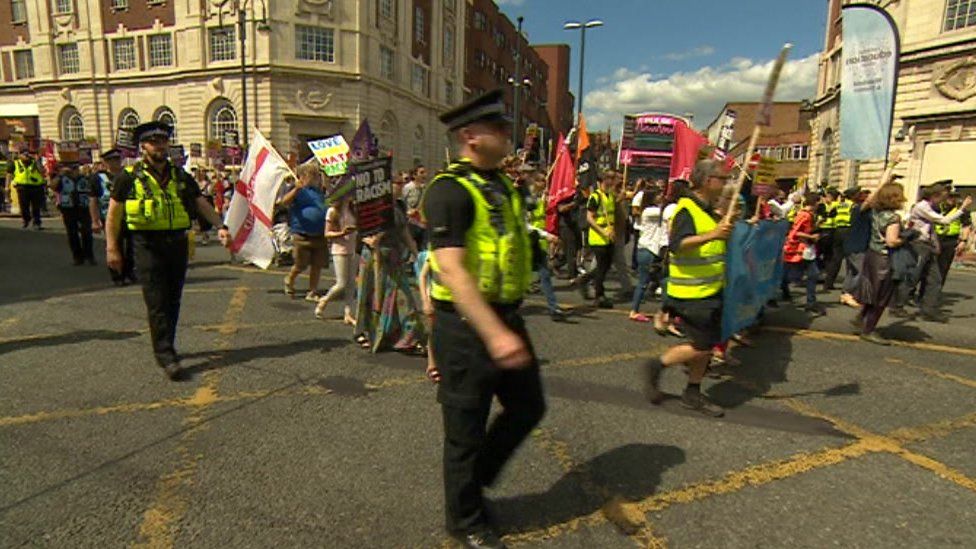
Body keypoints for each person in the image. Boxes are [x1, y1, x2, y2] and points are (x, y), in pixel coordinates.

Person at [421, 89, 545, 549]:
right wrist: (494, 334)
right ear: (471, 136)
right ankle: (466, 520)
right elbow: (450, 268)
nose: (507, 134)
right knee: (465, 431)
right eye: (498, 128)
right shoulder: (449, 190)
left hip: (506, 316)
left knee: (530, 406)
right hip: (467, 328)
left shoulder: (504, 185)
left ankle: (475, 481)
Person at [105, 121, 230, 380]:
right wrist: (112, 248)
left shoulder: (179, 176)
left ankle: (167, 345)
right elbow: (113, 216)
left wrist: (221, 225)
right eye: (154, 142)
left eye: (163, 141)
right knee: (156, 300)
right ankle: (165, 354)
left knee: (172, 299)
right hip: (146, 244)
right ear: (143, 147)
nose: (160, 146)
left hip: (177, 243)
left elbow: (200, 203)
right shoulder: (127, 178)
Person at [644, 159, 733, 418]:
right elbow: (678, 245)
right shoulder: (686, 210)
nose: (725, 184)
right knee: (703, 346)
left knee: (706, 343)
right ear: (707, 181)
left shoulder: (707, 210)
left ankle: (693, 392)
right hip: (692, 293)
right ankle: (657, 365)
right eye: (722, 179)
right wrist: (714, 235)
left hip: (710, 289)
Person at [891, 182, 972, 322]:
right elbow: (943, 220)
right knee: (913, 276)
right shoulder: (921, 207)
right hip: (918, 245)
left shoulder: (930, 207)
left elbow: (931, 228)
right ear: (934, 195)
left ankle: (929, 310)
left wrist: (935, 244)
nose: (942, 200)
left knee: (935, 279)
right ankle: (897, 305)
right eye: (941, 197)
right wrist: (963, 208)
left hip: (928, 245)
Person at [851, 181, 909, 345]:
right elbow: (891, 241)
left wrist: (889, 168)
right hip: (884, 259)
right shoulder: (893, 218)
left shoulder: (876, 211)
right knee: (882, 297)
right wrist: (905, 239)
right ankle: (869, 330)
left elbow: (872, 197)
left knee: (871, 291)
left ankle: (862, 317)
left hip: (872, 255)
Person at [279, 162, 330, 301]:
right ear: (303, 176)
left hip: (319, 234)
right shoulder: (298, 190)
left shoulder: (319, 191)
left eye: (316, 175)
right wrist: (296, 189)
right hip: (302, 234)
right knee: (301, 264)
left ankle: (312, 291)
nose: (315, 178)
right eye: (312, 175)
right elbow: (284, 202)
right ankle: (290, 279)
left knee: (317, 265)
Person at [91, 149, 136, 284]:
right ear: (105, 162)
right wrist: (94, 220)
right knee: (114, 245)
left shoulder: (129, 175)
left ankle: (129, 271)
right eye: (111, 160)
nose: (115, 162)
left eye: (117, 159)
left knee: (132, 246)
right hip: (109, 215)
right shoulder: (98, 178)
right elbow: (93, 199)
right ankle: (117, 274)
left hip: (129, 215)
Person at [315, 189, 358, 325]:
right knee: (341, 283)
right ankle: (324, 300)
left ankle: (348, 314)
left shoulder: (353, 210)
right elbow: (327, 234)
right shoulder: (332, 211)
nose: (351, 195)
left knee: (351, 283)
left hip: (352, 248)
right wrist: (341, 233)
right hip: (339, 249)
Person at [580, 173, 618, 308]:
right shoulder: (595, 197)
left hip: (609, 237)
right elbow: (589, 218)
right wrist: (602, 231)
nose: (612, 181)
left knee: (606, 266)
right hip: (598, 237)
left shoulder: (610, 196)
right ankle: (599, 296)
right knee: (601, 268)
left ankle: (585, 279)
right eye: (609, 178)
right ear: (602, 180)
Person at [783, 193, 823, 314]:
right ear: (814, 203)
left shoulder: (808, 215)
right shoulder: (804, 215)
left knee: (811, 275)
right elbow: (795, 233)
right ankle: (781, 290)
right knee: (799, 275)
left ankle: (811, 302)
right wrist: (811, 236)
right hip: (801, 249)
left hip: (806, 249)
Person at [51, 161, 96, 265]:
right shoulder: (62, 178)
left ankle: (89, 255)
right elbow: (53, 186)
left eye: (74, 168)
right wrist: (60, 175)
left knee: (87, 232)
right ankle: (77, 257)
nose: (72, 171)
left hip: (83, 207)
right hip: (68, 207)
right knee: (72, 233)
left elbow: (92, 190)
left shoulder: (85, 177)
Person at [936, 191, 972, 286]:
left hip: (950, 241)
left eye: (954, 197)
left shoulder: (961, 209)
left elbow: (966, 226)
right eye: (950, 196)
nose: (952, 199)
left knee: (943, 268)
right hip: (935, 239)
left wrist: (963, 241)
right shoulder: (937, 207)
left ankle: (935, 292)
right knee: (926, 267)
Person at [823, 188, 854, 290]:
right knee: (851, 257)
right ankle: (850, 284)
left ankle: (828, 282)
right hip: (848, 230)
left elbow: (830, 214)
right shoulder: (852, 205)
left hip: (837, 230)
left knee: (836, 258)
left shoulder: (836, 204)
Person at [10, 151, 47, 230]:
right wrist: (7, 187)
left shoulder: (35, 162)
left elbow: (42, 172)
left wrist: (37, 160)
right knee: (24, 206)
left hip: (36, 187)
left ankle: (37, 222)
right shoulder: (15, 163)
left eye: (28, 154)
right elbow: (9, 174)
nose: (26, 156)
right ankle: (26, 220)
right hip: (22, 187)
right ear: (20, 155)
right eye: (24, 154)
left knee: (36, 206)